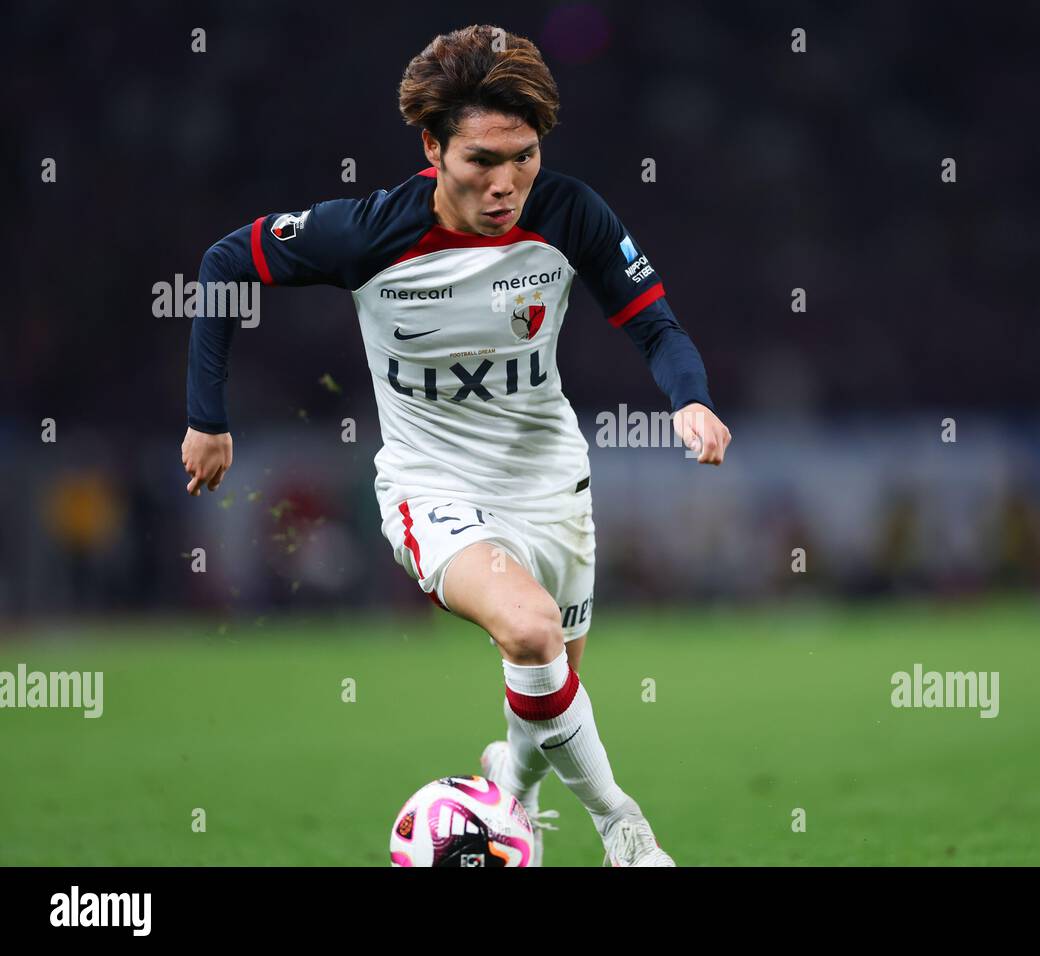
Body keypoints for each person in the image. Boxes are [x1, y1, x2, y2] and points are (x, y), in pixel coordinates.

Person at [180, 24, 731, 866]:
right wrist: (207, 418)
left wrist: (691, 402)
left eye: (524, 155)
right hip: (428, 485)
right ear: (433, 147)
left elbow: (655, 324)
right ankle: (625, 828)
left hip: (552, 487)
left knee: (547, 688)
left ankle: (504, 791)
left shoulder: (569, 213)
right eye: (482, 159)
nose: (507, 182)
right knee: (533, 636)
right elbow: (225, 262)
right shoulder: (367, 235)